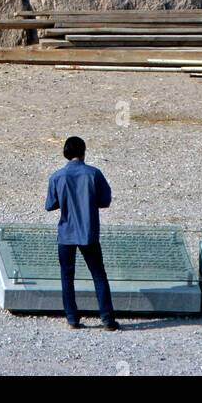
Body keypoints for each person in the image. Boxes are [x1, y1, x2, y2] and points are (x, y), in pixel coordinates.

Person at [45, 136, 117, 330]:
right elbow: (105, 201)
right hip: (88, 232)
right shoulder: (94, 173)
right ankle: (107, 318)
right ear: (84, 151)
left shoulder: (57, 176)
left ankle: (72, 318)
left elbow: (50, 205)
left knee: (67, 277)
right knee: (99, 275)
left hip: (66, 233)